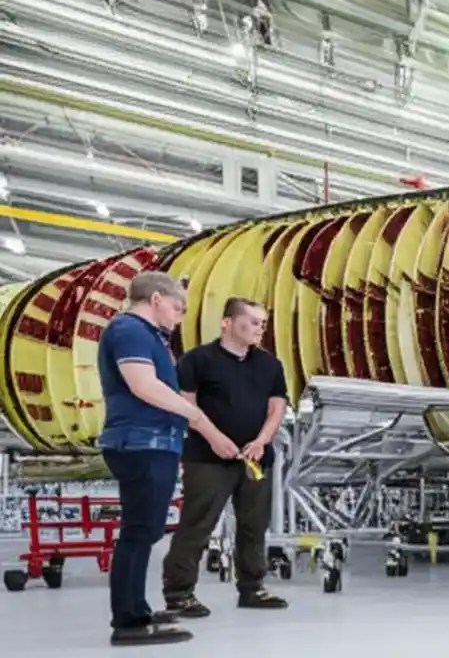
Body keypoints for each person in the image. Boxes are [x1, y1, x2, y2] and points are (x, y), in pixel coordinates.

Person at [97, 272, 241, 647]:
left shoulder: (148, 336)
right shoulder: (130, 330)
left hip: (152, 442)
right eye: (178, 308)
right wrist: (196, 417)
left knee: (144, 531)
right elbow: (143, 386)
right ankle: (127, 621)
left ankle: (137, 608)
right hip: (141, 443)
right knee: (139, 532)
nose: (179, 317)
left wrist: (204, 429)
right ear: (157, 298)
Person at [161, 297, 290, 616]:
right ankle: (179, 593)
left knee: (254, 525)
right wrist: (214, 437)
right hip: (207, 458)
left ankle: (253, 588)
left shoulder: (270, 364)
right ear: (227, 322)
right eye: (253, 321)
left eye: (263, 322)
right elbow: (185, 405)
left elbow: (277, 407)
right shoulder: (198, 360)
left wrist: (262, 441)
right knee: (197, 523)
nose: (260, 328)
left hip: (255, 459)